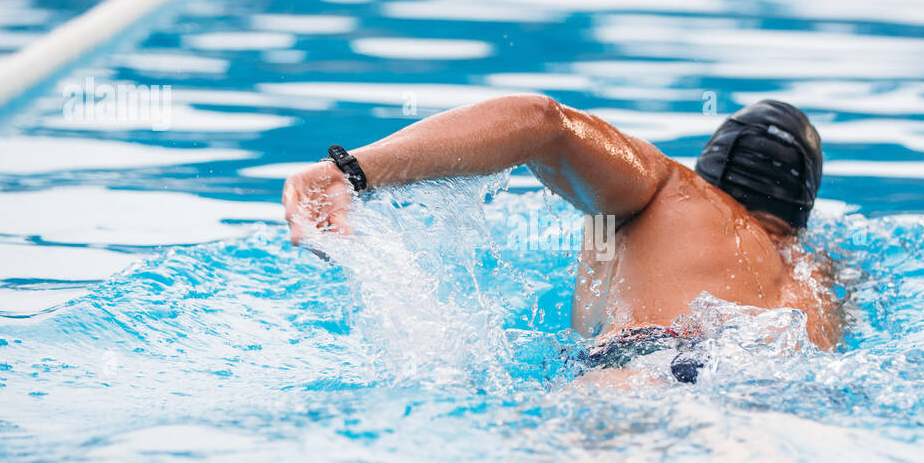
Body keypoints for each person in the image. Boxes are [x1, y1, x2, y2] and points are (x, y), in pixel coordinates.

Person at [282, 95, 842, 382]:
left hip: (656, 363)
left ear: (710, 170)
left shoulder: (674, 191)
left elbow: (542, 121)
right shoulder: (819, 279)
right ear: (799, 212)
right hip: (779, 390)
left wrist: (351, 171)